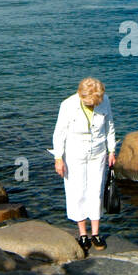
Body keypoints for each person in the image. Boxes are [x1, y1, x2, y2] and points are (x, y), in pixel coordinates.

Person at [51, 76, 116, 252]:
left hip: (98, 153)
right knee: (77, 192)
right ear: (81, 96)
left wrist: (112, 150)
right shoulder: (67, 105)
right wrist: (58, 158)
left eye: (97, 101)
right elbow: (59, 133)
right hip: (74, 154)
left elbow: (109, 126)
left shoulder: (105, 100)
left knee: (96, 191)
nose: (95, 104)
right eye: (91, 102)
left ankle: (95, 233)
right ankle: (83, 234)